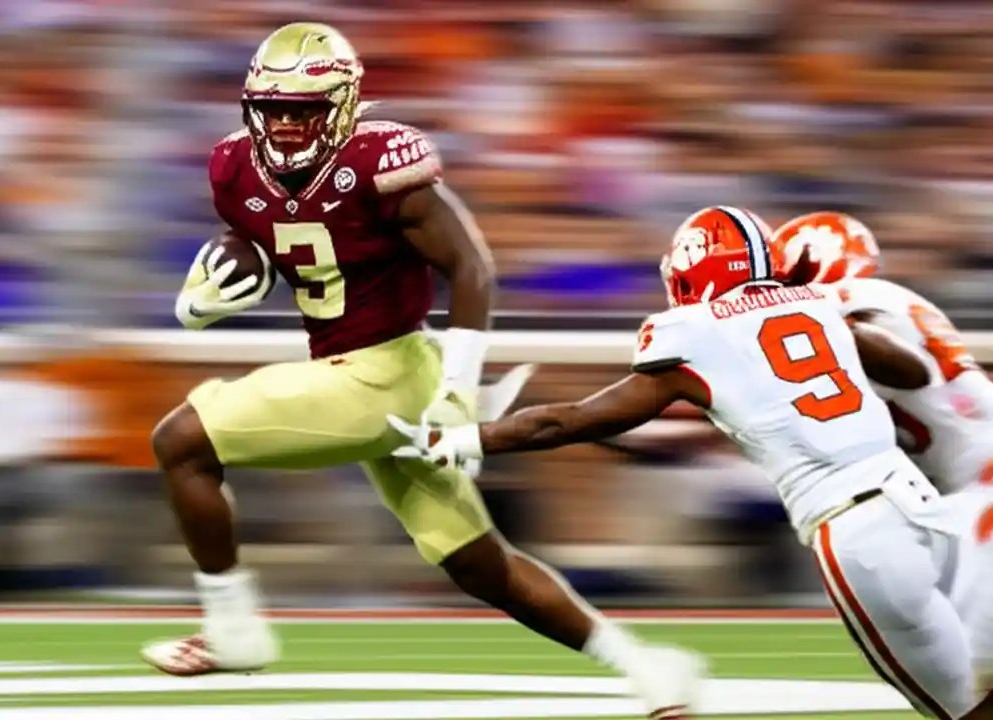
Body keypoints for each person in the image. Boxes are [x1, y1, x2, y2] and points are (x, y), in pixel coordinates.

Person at [142, 22, 704, 717]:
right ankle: (650, 670)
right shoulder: (232, 167)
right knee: (478, 562)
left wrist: (456, 389)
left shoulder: (381, 162)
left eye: (305, 109)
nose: (286, 123)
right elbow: (256, 234)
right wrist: (211, 290)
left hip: (391, 371)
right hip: (361, 372)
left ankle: (232, 628)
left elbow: (469, 265)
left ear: (343, 105)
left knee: (181, 441)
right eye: (272, 108)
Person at [388, 205, 993, 720]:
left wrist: (466, 439)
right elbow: (912, 372)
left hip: (855, 530)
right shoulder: (818, 303)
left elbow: (571, 419)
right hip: (924, 504)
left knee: (960, 707)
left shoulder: (693, 331)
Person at [771, 211, 993, 495]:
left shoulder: (854, 300)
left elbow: (914, 374)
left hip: (979, 470)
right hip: (963, 472)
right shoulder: (886, 299)